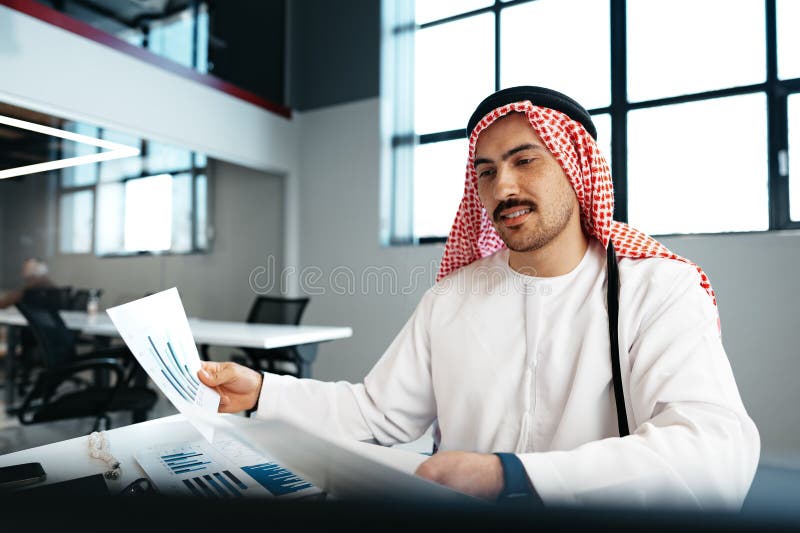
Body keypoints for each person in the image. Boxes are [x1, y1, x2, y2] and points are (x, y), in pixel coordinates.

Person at [198, 86, 759, 508]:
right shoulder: (453, 298)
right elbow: (375, 414)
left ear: (576, 166)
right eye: (485, 171)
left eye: (524, 160)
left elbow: (712, 448)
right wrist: (262, 392)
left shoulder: (657, 289)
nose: (502, 188)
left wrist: (508, 475)